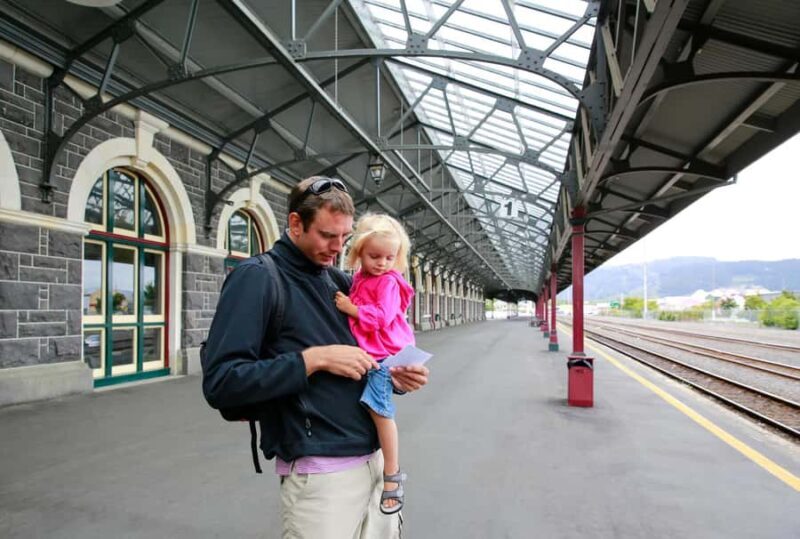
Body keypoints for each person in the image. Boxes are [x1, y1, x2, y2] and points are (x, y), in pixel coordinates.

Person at [202, 176, 429, 538]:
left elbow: (369, 352)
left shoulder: (338, 283)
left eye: (344, 237)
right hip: (321, 477)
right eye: (327, 235)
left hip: (376, 464)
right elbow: (222, 381)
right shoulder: (258, 278)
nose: (337, 248)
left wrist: (397, 377)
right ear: (295, 223)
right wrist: (313, 360)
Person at [334, 213, 416, 515]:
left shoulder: (389, 283)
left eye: (389, 257)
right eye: (374, 256)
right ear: (358, 253)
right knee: (373, 406)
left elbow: (381, 317)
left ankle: (392, 475)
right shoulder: (361, 278)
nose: (382, 262)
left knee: (379, 410)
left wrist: (350, 308)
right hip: (375, 351)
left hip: (385, 354)